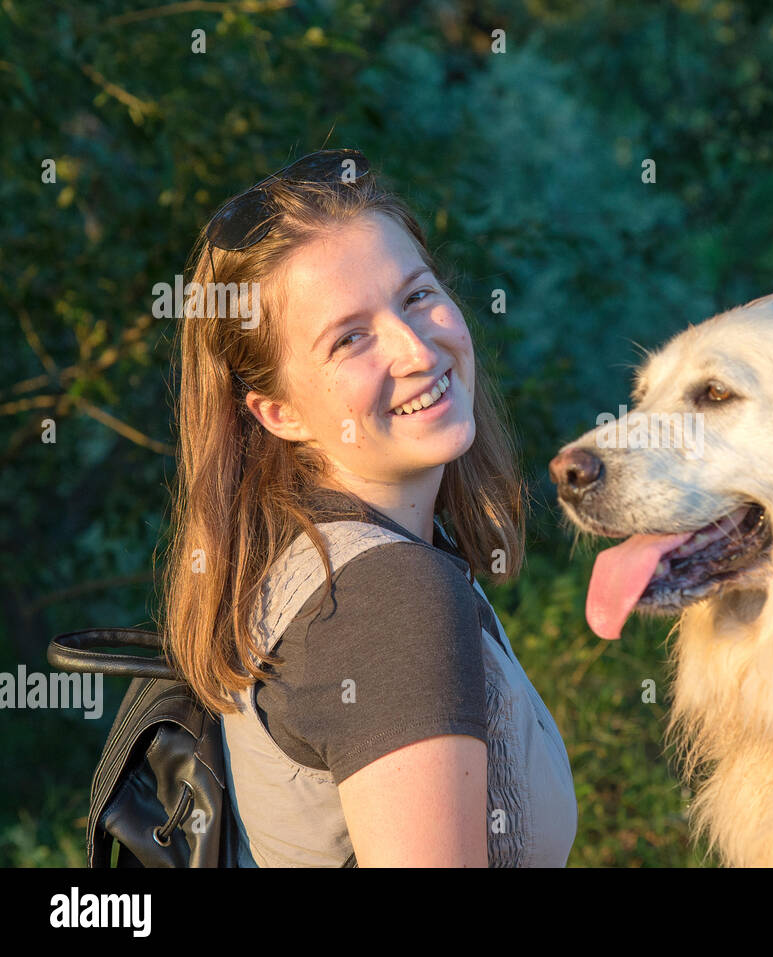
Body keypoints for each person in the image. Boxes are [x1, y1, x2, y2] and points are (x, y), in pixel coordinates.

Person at [157, 149, 577, 866]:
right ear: (278, 411)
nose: (417, 348)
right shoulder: (386, 597)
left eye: (416, 295)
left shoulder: (313, 568)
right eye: (351, 338)